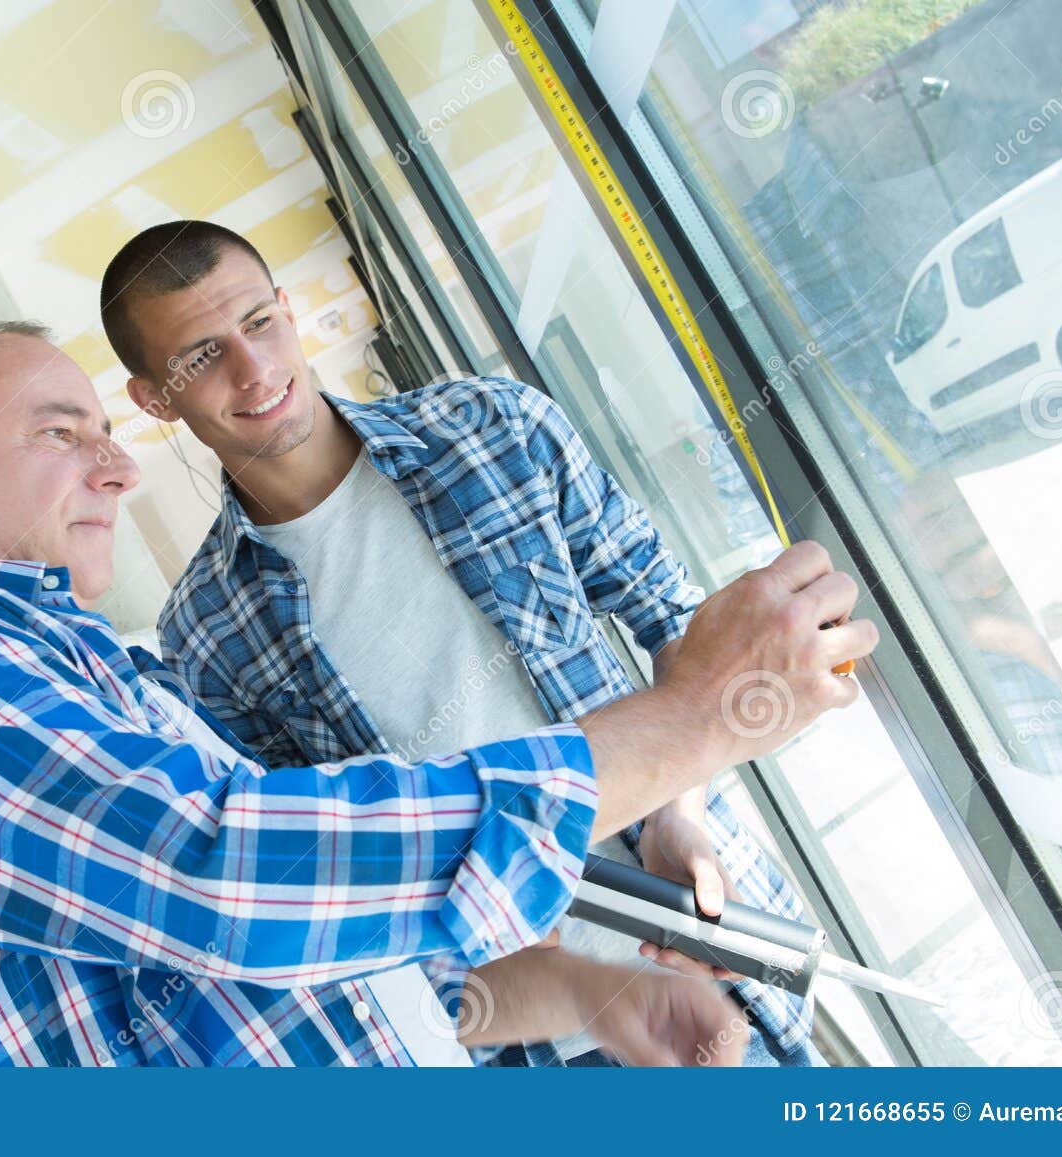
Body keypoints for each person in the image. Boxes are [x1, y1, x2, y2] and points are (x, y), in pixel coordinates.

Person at [0, 317, 874, 1066]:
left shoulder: (102, 678)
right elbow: (224, 874)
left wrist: (587, 994)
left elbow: (314, 957)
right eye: (62, 432)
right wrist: (691, 717)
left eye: (106, 431)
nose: (119, 465)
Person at [105, 221, 869, 1066]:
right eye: (202, 357)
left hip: (709, 944)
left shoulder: (489, 426)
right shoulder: (206, 632)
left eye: (258, 322)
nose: (253, 370)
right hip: (537, 1045)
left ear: (288, 310)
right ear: (155, 399)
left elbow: (674, 621)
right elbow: (335, 885)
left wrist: (678, 815)